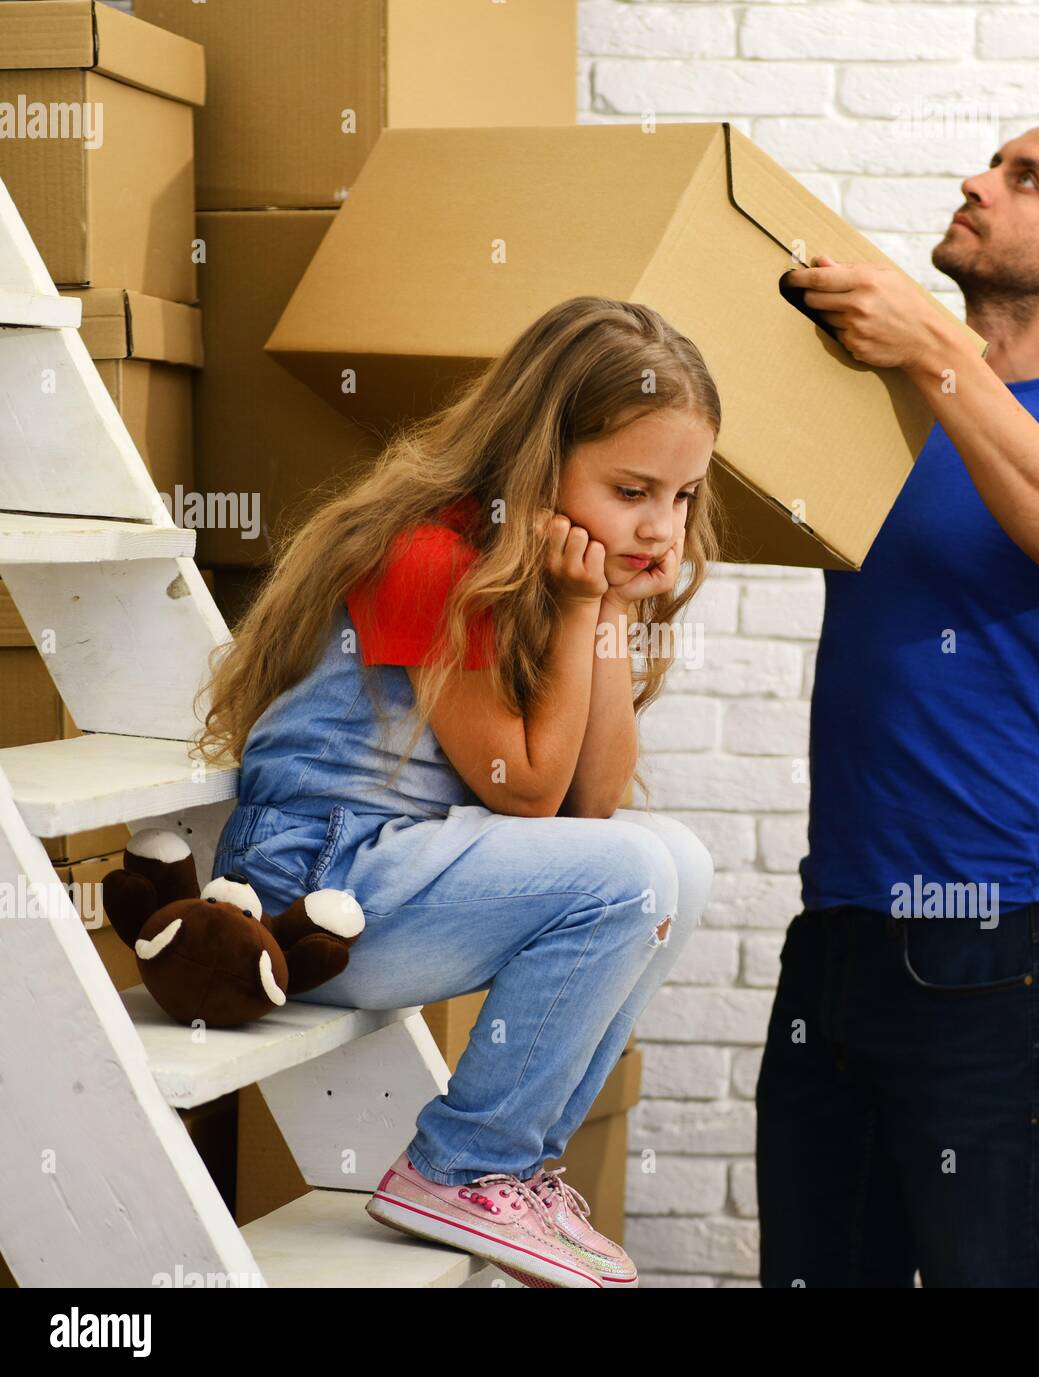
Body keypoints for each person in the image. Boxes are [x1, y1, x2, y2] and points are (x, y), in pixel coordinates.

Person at [195, 297, 722, 1289]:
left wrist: (600, 604)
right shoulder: (430, 556)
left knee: (677, 864)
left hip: (391, 872)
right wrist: (578, 607)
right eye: (632, 488)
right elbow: (527, 797)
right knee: (633, 873)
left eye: (685, 496)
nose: (663, 525)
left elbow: (591, 803)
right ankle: (466, 1164)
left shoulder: (542, 573)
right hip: (313, 886)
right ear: (538, 458)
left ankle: (513, 1167)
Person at [756, 104, 1039, 1287]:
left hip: (995, 946)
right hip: (836, 926)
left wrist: (936, 354)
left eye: (1023, 177)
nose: (977, 181)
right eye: (992, 163)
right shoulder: (891, 418)